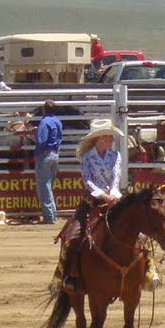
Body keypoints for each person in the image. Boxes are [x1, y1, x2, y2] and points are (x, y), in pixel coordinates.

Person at [53, 119, 124, 290]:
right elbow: (88, 181)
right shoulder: (86, 158)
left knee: (138, 229)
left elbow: (116, 178)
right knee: (72, 235)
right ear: (101, 139)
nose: (112, 140)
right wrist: (104, 196)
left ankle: (148, 270)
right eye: (110, 136)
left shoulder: (116, 156)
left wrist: (112, 195)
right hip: (92, 201)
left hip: (113, 198)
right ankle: (71, 274)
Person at [34, 100, 63, 225]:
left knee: (44, 187)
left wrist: (36, 153)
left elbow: (41, 140)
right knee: (49, 186)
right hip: (55, 154)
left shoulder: (44, 122)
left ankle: (49, 216)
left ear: (44, 109)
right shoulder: (57, 121)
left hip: (45, 155)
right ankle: (53, 214)